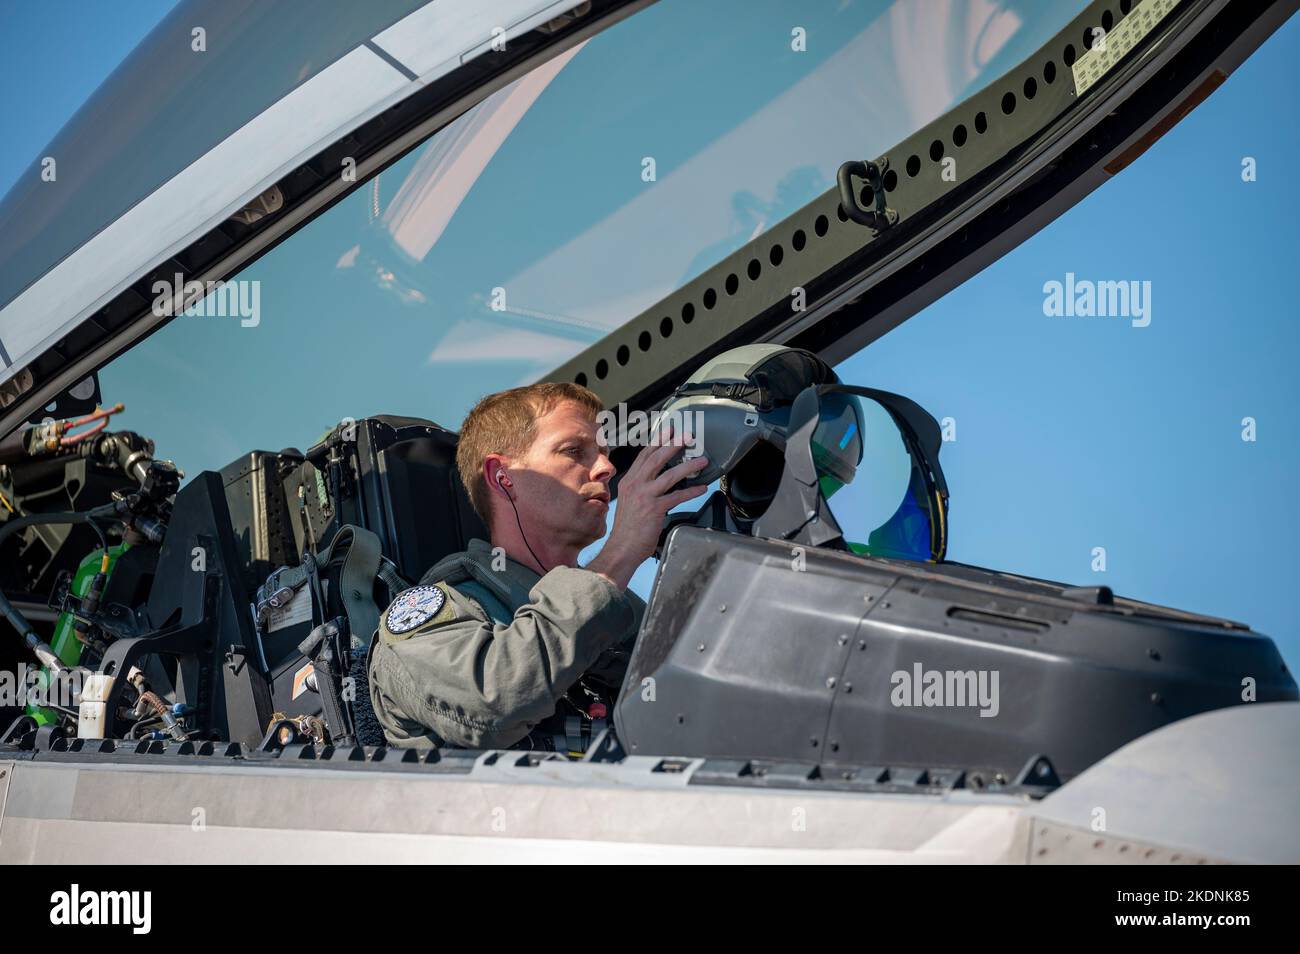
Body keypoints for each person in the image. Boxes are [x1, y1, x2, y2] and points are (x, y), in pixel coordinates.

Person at [367, 382, 709, 750]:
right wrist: (620, 552)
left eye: (604, 453)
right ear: (502, 476)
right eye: (573, 451)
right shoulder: (429, 622)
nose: (607, 467)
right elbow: (493, 704)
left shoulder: (630, 618)